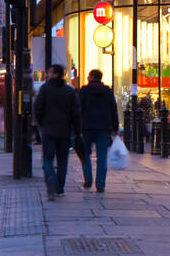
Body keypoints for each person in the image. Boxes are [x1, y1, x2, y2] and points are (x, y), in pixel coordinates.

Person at [33, 64, 81, 200]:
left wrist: (42, 124)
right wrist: (77, 131)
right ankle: (59, 189)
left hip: (48, 130)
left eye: (49, 72)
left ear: (56, 74)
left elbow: (38, 108)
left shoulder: (45, 89)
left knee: (47, 159)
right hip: (65, 132)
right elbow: (75, 113)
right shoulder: (69, 91)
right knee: (62, 161)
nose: (47, 74)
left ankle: (51, 182)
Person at [78, 69, 119, 193]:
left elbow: (79, 108)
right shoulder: (108, 91)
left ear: (91, 77)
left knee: (85, 154)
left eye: (88, 75)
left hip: (87, 127)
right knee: (102, 156)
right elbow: (113, 109)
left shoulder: (84, 90)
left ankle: (88, 179)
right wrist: (115, 127)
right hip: (103, 127)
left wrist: (76, 126)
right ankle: (100, 184)